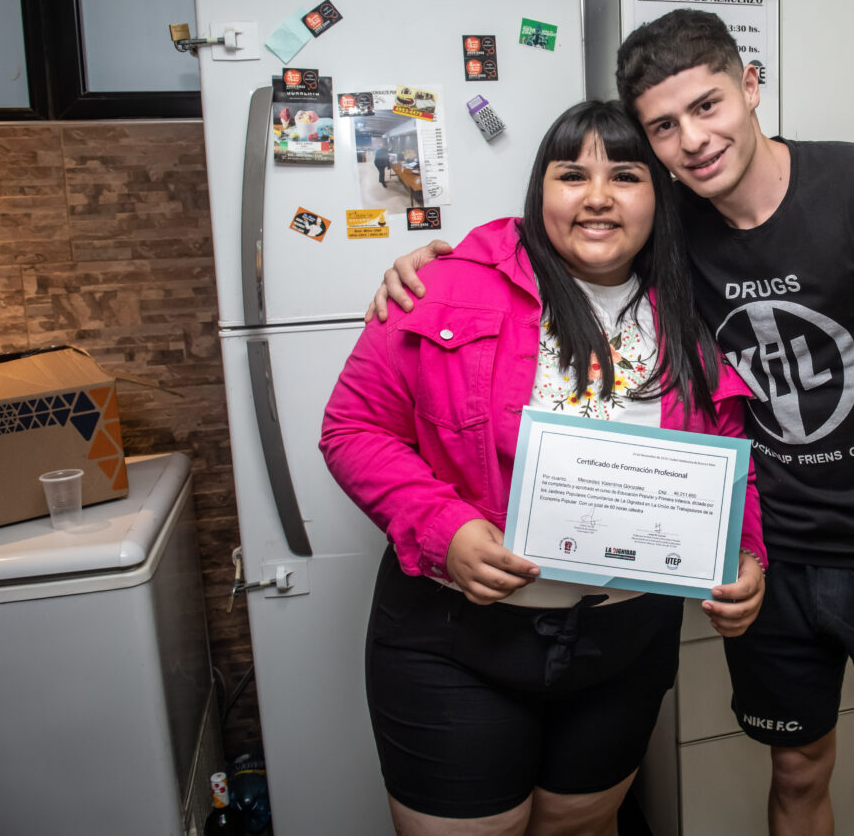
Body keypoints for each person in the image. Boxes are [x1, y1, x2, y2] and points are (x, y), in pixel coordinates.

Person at [372, 11, 854, 836]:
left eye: (708, 106)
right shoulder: (665, 229)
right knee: (798, 770)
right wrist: (429, 261)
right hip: (771, 564)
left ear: (751, 86)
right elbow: (550, 243)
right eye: (664, 126)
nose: (692, 140)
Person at [323, 98, 768, 836]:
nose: (597, 197)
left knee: (582, 826)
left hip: (623, 647)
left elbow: (731, 454)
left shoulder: (693, 308)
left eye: (625, 175)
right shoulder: (449, 284)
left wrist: (746, 553)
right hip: (456, 641)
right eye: (572, 174)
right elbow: (353, 427)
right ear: (541, 193)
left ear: (659, 197)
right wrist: (445, 526)